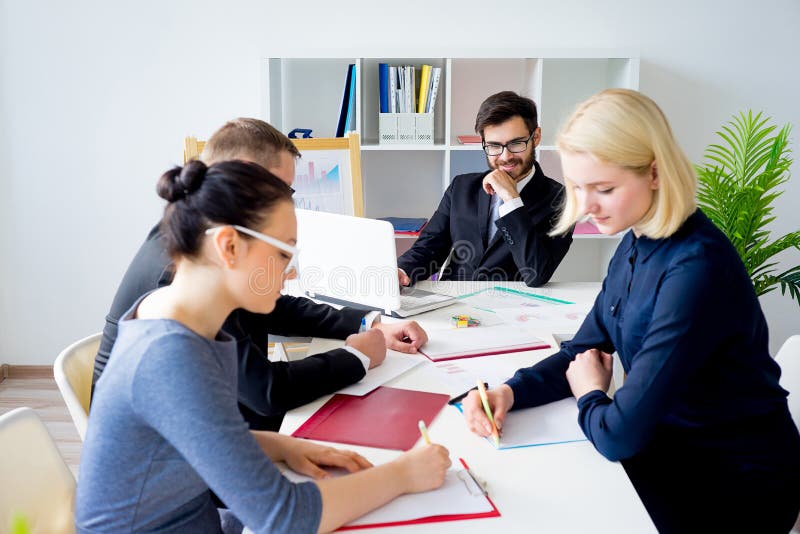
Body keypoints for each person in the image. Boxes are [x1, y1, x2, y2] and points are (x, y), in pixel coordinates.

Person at [462, 89, 800, 532]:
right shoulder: (635, 241)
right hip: (667, 447)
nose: (586, 206)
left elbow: (616, 433)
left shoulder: (696, 269)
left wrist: (589, 395)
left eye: (604, 189)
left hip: (732, 483)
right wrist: (510, 392)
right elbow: (580, 352)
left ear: (655, 173)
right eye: (580, 188)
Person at [76, 160, 451, 533]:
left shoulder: (172, 312)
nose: (291, 272)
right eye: (283, 253)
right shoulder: (170, 356)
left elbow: (191, 434)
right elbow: (284, 517)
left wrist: (279, 445)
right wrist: (404, 474)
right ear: (229, 246)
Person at [93, 118, 428, 429]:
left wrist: (371, 323)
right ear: (246, 177)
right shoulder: (186, 274)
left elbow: (273, 304)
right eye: (283, 189)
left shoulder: (200, 237)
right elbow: (264, 392)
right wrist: (357, 357)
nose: (288, 202)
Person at [397, 91, 572, 287]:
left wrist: (512, 200)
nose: (505, 156)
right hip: (453, 303)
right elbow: (430, 247)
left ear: (536, 137)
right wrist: (402, 270)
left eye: (516, 143)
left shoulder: (561, 200)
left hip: (513, 309)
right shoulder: (461, 187)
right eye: (494, 146)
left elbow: (537, 273)